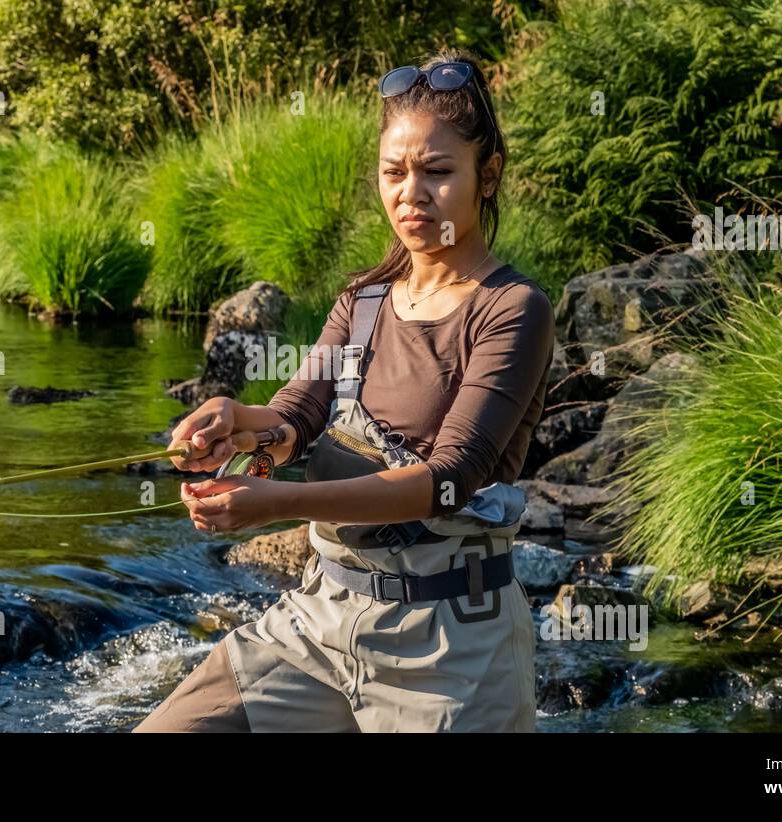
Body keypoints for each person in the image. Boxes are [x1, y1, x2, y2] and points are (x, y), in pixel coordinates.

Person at [133, 47, 555, 732]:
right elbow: (296, 416)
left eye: (438, 172)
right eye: (394, 172)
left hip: (452, 648)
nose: (411, 194)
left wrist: (276, 504)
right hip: (319, 619)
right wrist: (235, 426)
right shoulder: (363, 300)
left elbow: (447, 479)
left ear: (489, 174)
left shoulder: (512, 310)